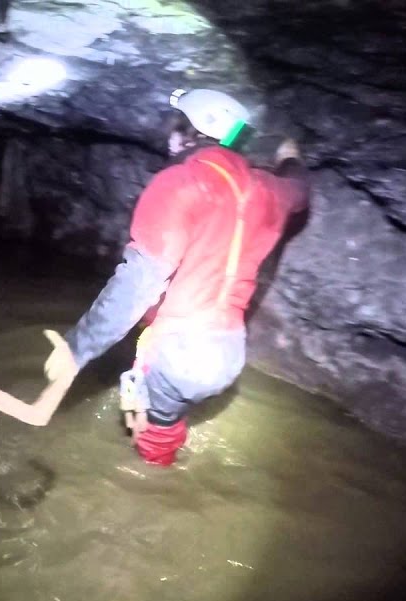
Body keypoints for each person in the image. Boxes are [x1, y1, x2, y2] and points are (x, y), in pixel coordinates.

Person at [44, 88, 311, 466]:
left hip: (178, 351)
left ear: (189, 133)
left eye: (176, 127)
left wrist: (76, 349)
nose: (169, 137)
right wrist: (289, 156)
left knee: (150, 443)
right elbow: (300, 187)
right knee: (163, 417)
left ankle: (150, 486)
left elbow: (136, 286)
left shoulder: (181, 183)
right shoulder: (269, 190)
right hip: (228, 351)